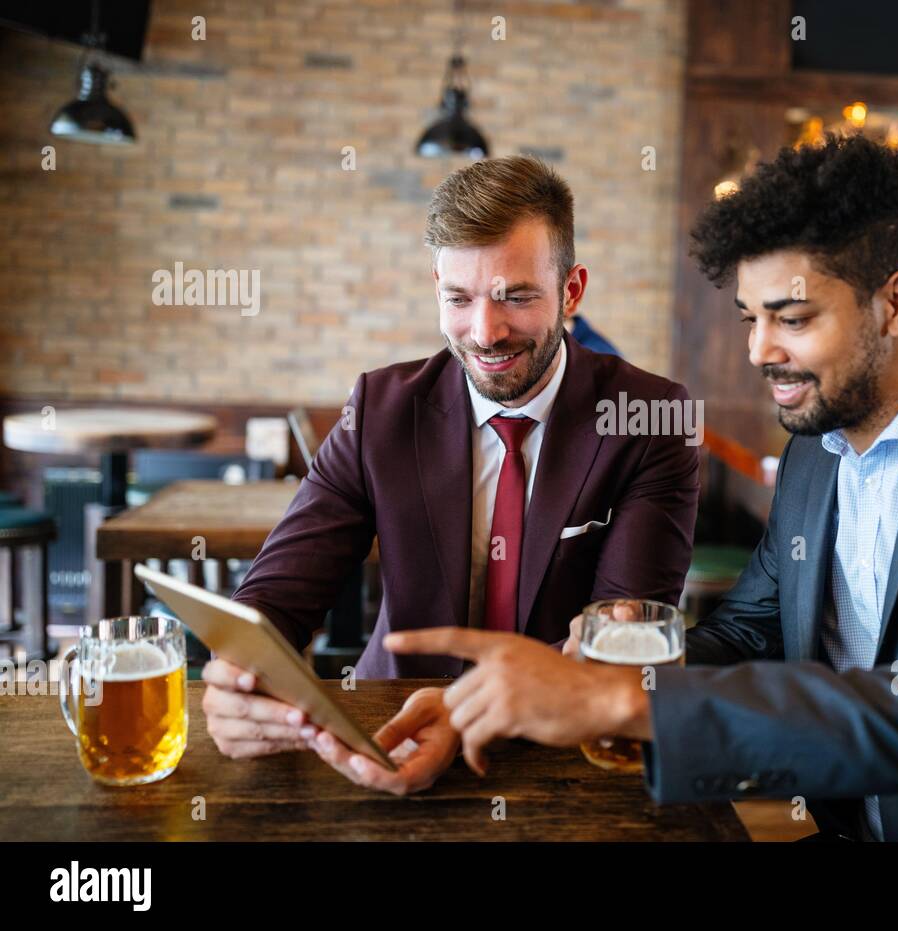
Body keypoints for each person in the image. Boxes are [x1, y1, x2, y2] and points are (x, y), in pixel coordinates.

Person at [380, 134, 898, 840]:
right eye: (751, 318)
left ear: (897, 303)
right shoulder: (819, 451)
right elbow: (749, 633)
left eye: (791, 318)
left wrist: (623, 703)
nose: (759, 351)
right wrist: (549, 683)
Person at [201, 156, 699, 795]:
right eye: (458, 299)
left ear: (571, 291)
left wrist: (473, 714)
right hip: (389, 731)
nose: (485, 332)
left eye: (516, 297)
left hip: (566, 756)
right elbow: (277, 595)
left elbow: (617, 641)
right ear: (436, 283)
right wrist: (238, 675)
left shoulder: (652, 419)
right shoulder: (380, 410)